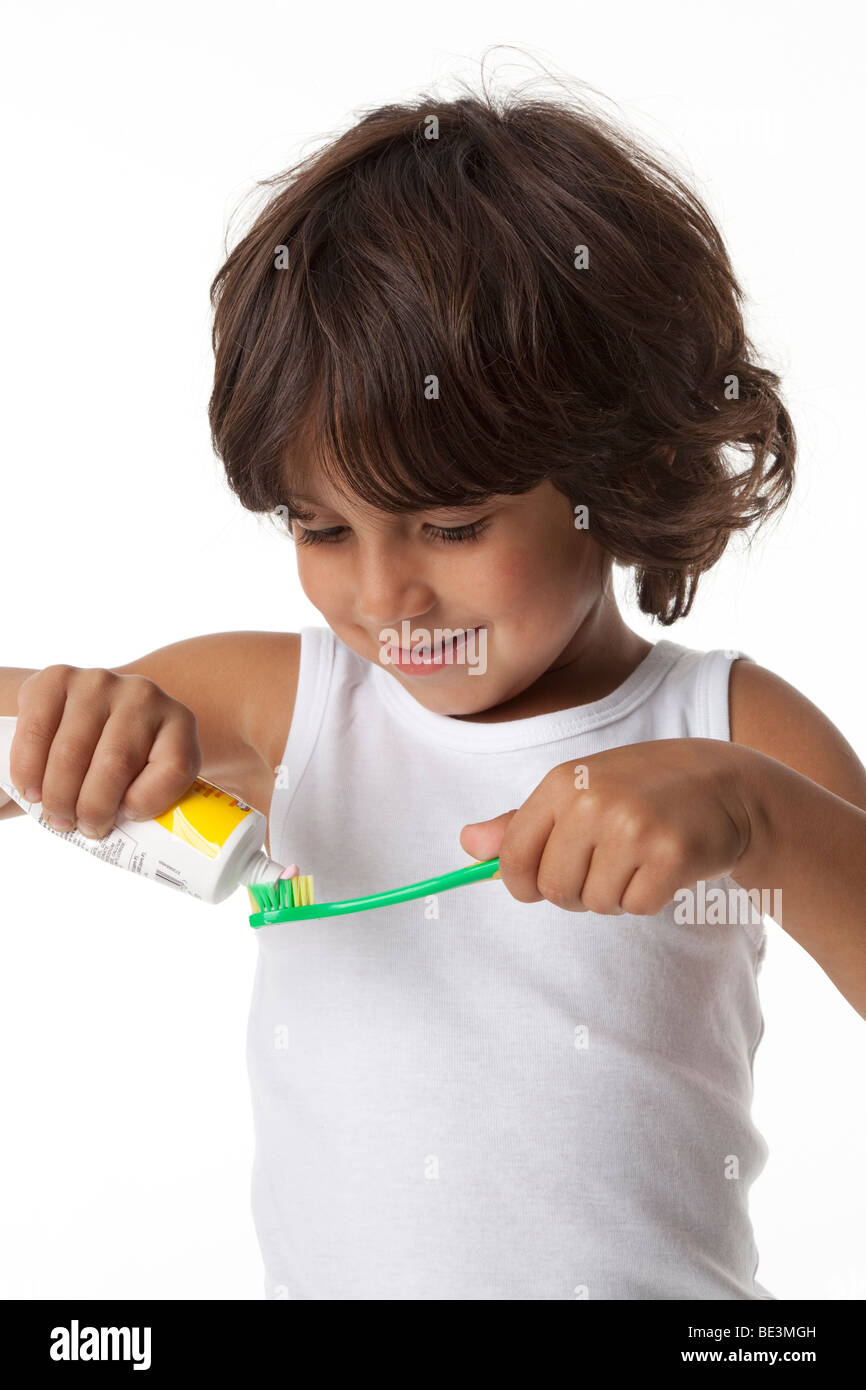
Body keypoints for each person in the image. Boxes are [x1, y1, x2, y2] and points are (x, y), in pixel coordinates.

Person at [4, 82, 865, 1300]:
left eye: (450, 526)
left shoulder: (724, 729)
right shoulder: (284, 704)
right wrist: (69, 718)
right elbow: (16, 734)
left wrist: (763, 815)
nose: (383, 597)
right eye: (319, 527)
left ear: (625, 471)